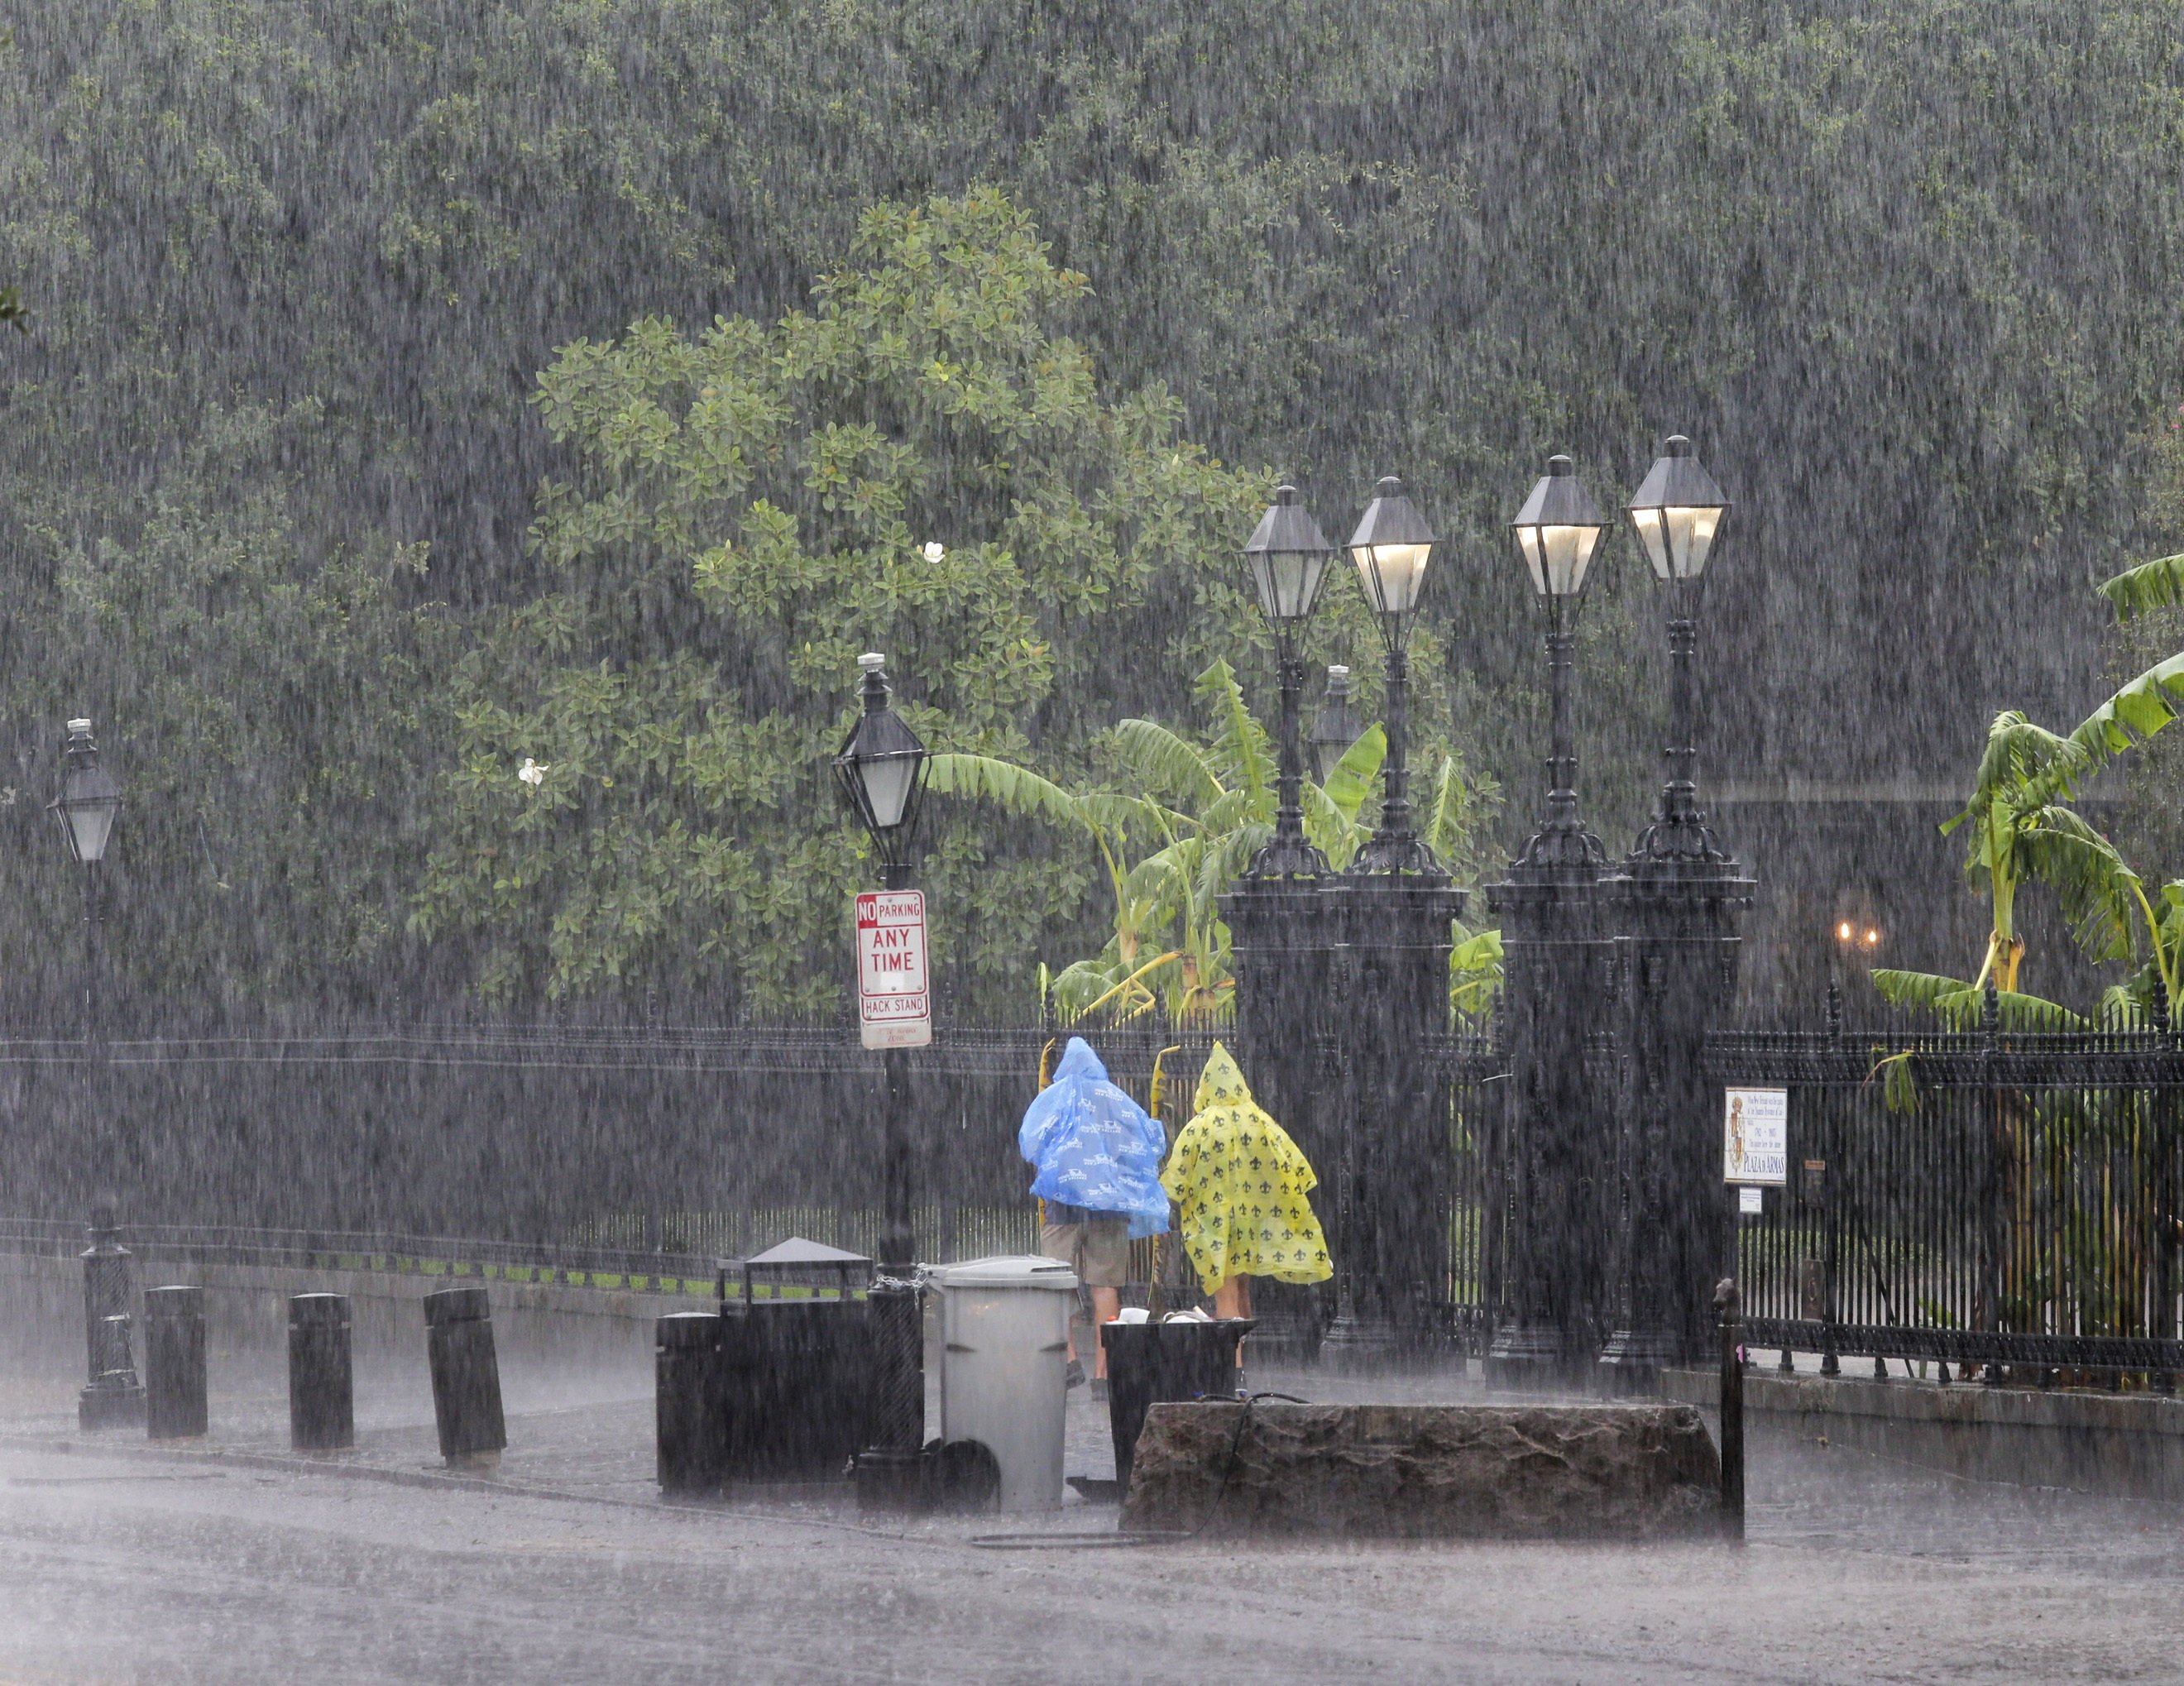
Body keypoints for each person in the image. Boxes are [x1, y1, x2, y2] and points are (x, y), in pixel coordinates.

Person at [1161, 1042, 1331, 1371]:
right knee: (1241, 1288)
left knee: (1224, 1294)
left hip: (1215, 1224)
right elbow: (1297, 1169)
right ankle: (1242, 1347)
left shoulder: (1201, 1125)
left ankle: (1234, 1368)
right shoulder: (1260, 1121)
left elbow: (1177, 1179)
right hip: (1251, 1222)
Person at [1018, 1037, 1170, 1395]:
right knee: (1105, 1287)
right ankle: (1104, 1373)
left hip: (1062, 1206)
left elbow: (1030, 1141)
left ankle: (1069, 1361)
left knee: (1054, 1285)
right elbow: (1149, 1138)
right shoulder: (1116, 1099)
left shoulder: (1055, 1097)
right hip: (1108, 1208)